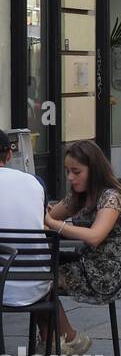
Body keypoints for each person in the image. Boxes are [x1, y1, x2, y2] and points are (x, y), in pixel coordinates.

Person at [40, 140, 121, 356]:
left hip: (105, 275)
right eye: (68, 171)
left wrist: (55, 225)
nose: (70, 178)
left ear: (94, 169)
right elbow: (48, 217)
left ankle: (68, 339)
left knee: (38, 282)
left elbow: (95, 237)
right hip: (84, 263)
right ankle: (55, 341)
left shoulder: (112, 197)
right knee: (34, 275)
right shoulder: (79, 196)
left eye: (76, 171)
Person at [0, 129, 56, 330]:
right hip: (37, 284)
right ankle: (59, 340)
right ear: (9, 155)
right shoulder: (34, 182)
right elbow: (44, 223)